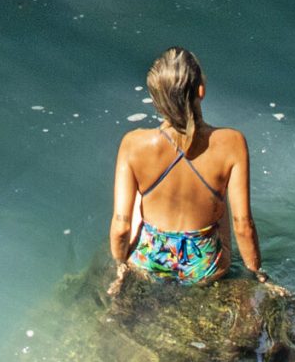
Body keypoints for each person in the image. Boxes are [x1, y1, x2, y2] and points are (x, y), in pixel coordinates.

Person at [109, 47, 261, 287]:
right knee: (220, 203)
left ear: (156, 99)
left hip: (151, 260)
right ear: (201, 90)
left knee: (139, 199)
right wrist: (256, 275)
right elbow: (243, 225)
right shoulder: (232, 142)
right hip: (203, 265)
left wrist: (120, 268)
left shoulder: (133, 143)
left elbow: (121, 226)